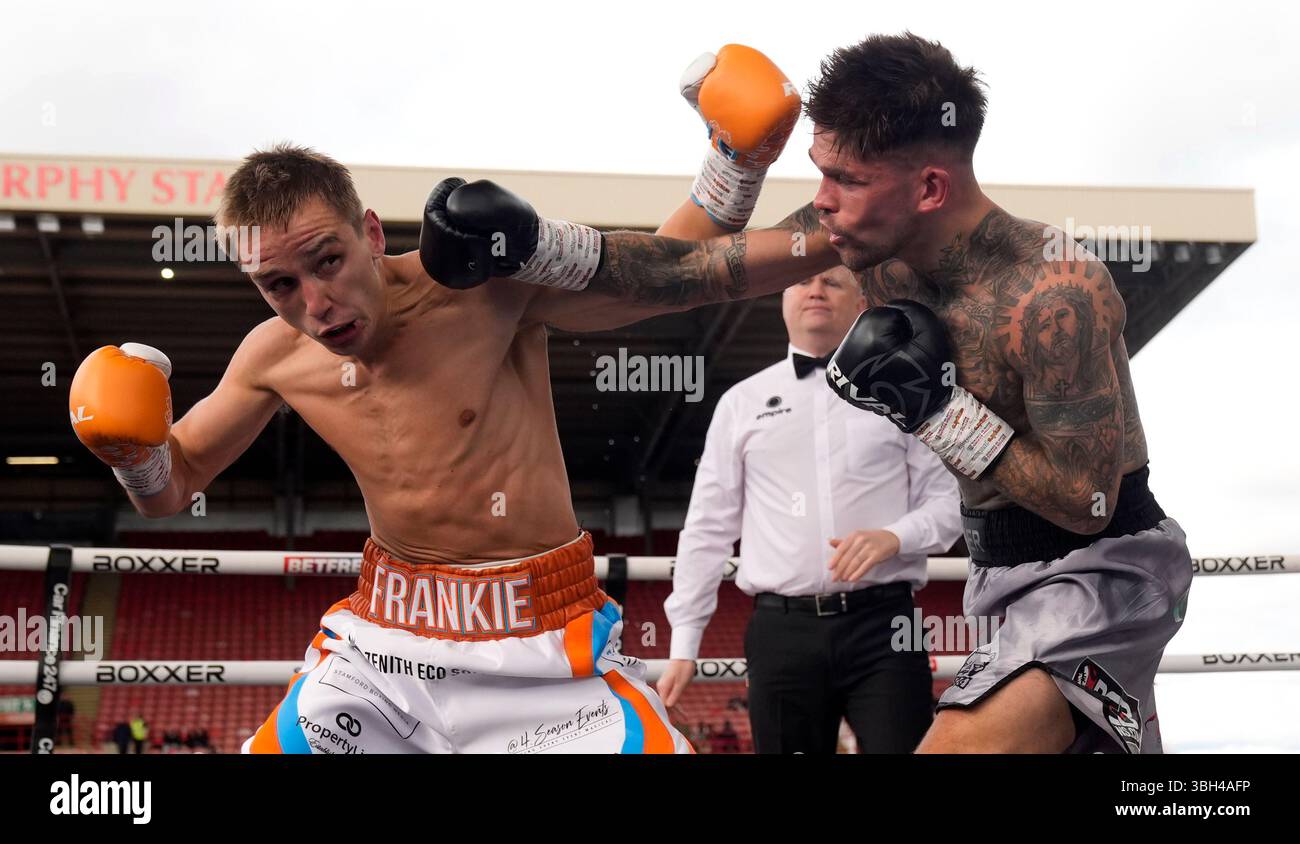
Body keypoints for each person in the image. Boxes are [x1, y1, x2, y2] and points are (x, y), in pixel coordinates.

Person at [67, 45, 835, 754]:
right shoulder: (273, 355)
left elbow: (670, 273)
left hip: (544, 639)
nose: (316, 303)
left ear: (369, 231)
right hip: (386, 643)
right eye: (280, 286)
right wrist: (133, 454)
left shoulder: (480, 292)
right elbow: (176, 486)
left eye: (328, 260)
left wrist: (735, 165)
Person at [809, 34, 1192, 753]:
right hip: (1000, 572)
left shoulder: (1053, 293)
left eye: (847, 180)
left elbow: (1088, 503)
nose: (821, 202)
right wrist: (731, 162)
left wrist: (941, 414)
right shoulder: (871, 246)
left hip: (1102, 572)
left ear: (927, 188)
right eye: (819, 173)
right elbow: (703, 270)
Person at [654, 262, 962, 754]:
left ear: (862, 304)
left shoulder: (903, 391)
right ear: (783, 301)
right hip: (782, 633)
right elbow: (708, 527)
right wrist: (684, 641)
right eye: (803, 281)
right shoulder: (740, 402)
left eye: (832, 281)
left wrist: (895, 537)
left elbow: (950, 502)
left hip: (885, 626)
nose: (816, 290)